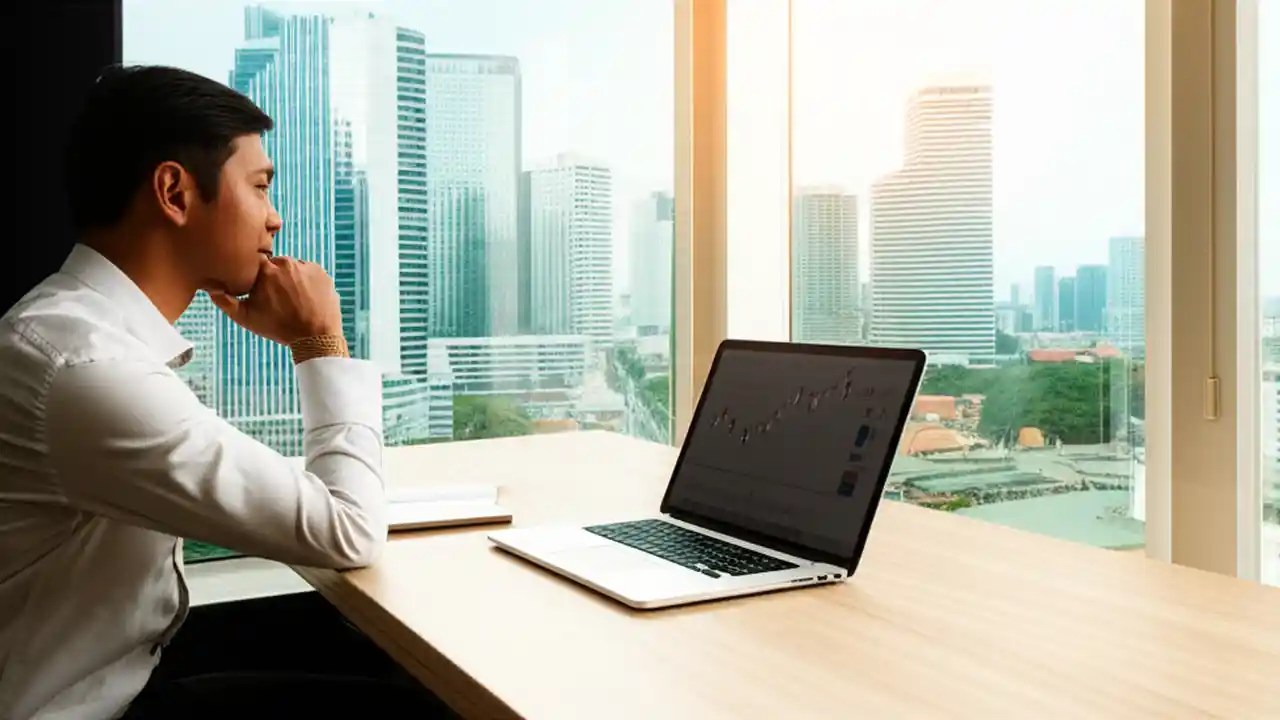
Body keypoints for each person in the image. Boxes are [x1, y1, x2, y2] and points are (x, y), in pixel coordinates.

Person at [0, 65, 436, 719]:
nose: (276, 219)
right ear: (174, 192)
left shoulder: (73, 333)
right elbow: (348, 532)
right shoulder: (87, 370)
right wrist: (319, 340)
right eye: (260, 187)